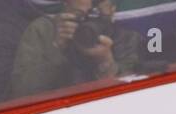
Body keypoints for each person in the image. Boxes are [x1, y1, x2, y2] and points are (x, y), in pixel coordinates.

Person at [8, 0, 141, 101]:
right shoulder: (44, 31)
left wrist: (106, 62)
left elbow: (133, 98)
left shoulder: (127, 39)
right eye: (80, 17)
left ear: (112, 11)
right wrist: (57, 48)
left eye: (96, 18)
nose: (88, 26)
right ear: (66, 5)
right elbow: (21, 95)